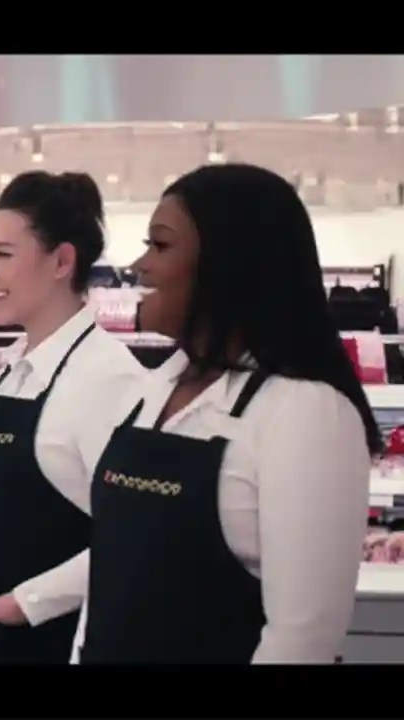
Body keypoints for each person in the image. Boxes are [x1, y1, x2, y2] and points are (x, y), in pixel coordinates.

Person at [74, 163, 377, 664]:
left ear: (229, 262)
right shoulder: (154, 389)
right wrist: (28, 600)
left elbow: (302, 639)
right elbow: (130, 554)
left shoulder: (304, 413)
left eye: (161, 245)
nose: (139, 265)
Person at [0, 171, 147, 664]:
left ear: (63, 261)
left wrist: (26, 603)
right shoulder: (11, 367)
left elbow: (139, 533)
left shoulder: (108, 379)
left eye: (3, 255)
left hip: (59, 641)